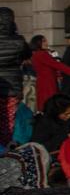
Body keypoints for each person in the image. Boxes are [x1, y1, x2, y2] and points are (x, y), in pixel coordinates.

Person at [0, 8, 31, 147]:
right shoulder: (18, 41)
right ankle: (7, 150)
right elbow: (27, 54)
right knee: (9, 121)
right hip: (12, 87)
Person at [30, 35, 70, 112]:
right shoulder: (41, 54)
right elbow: (56, 64)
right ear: (38, 43)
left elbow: (52, 66)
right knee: (50, 103)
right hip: (47, 83)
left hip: (46, 81)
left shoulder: (39, 54)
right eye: (43, 41)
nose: (46, 43)